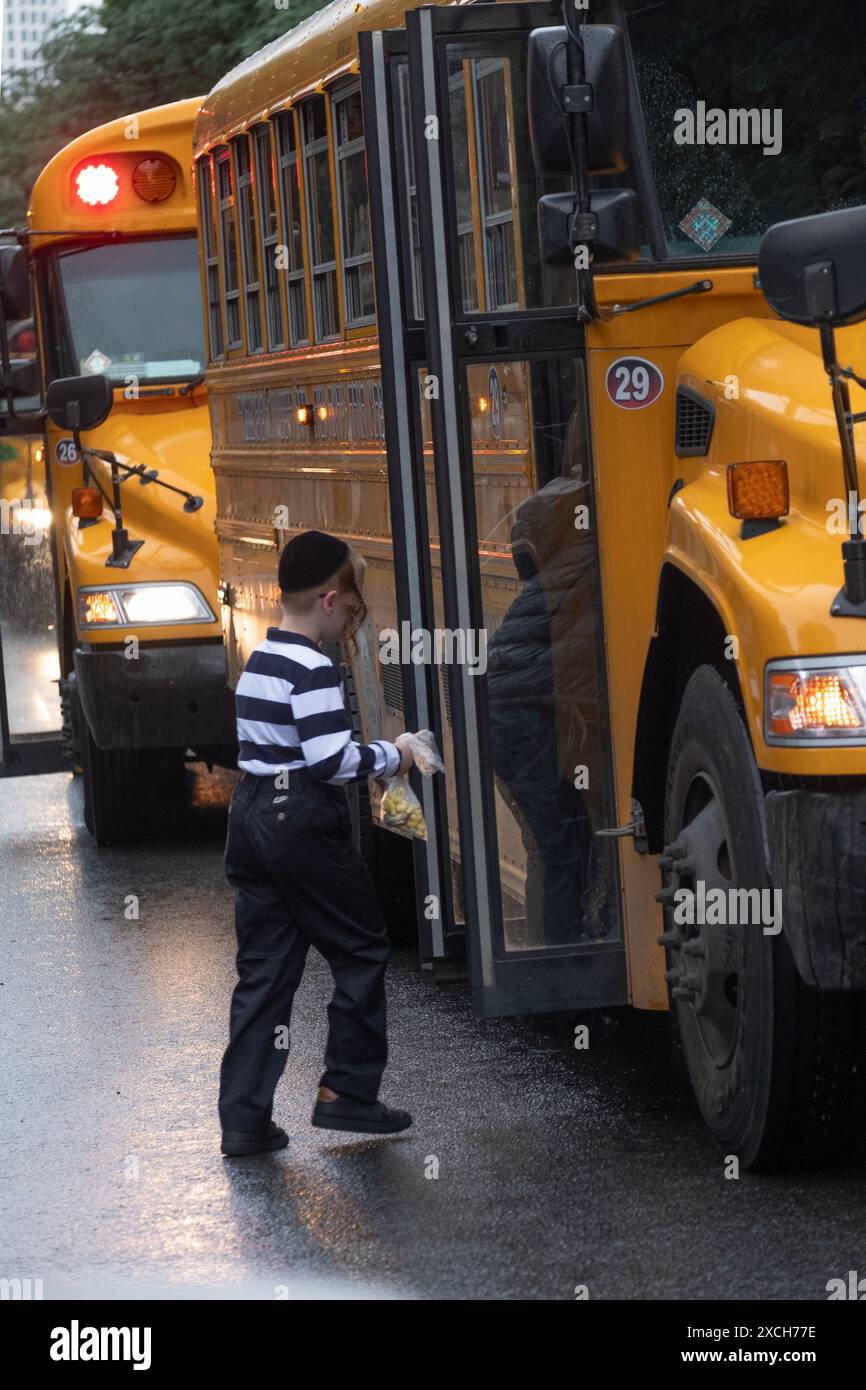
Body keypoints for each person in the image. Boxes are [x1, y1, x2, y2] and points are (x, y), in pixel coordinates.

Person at [218, 529, 416, 1157]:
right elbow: (331, 761)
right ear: (330, 601)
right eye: (353, 604)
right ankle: (346, 1094)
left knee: (265, 973)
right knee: (360, 949)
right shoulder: (313, 668)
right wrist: (398, 754)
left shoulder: (258, 662)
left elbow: (259, 751)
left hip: (250, 815)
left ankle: (244, 1118)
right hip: (301, 818)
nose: (355, 616)